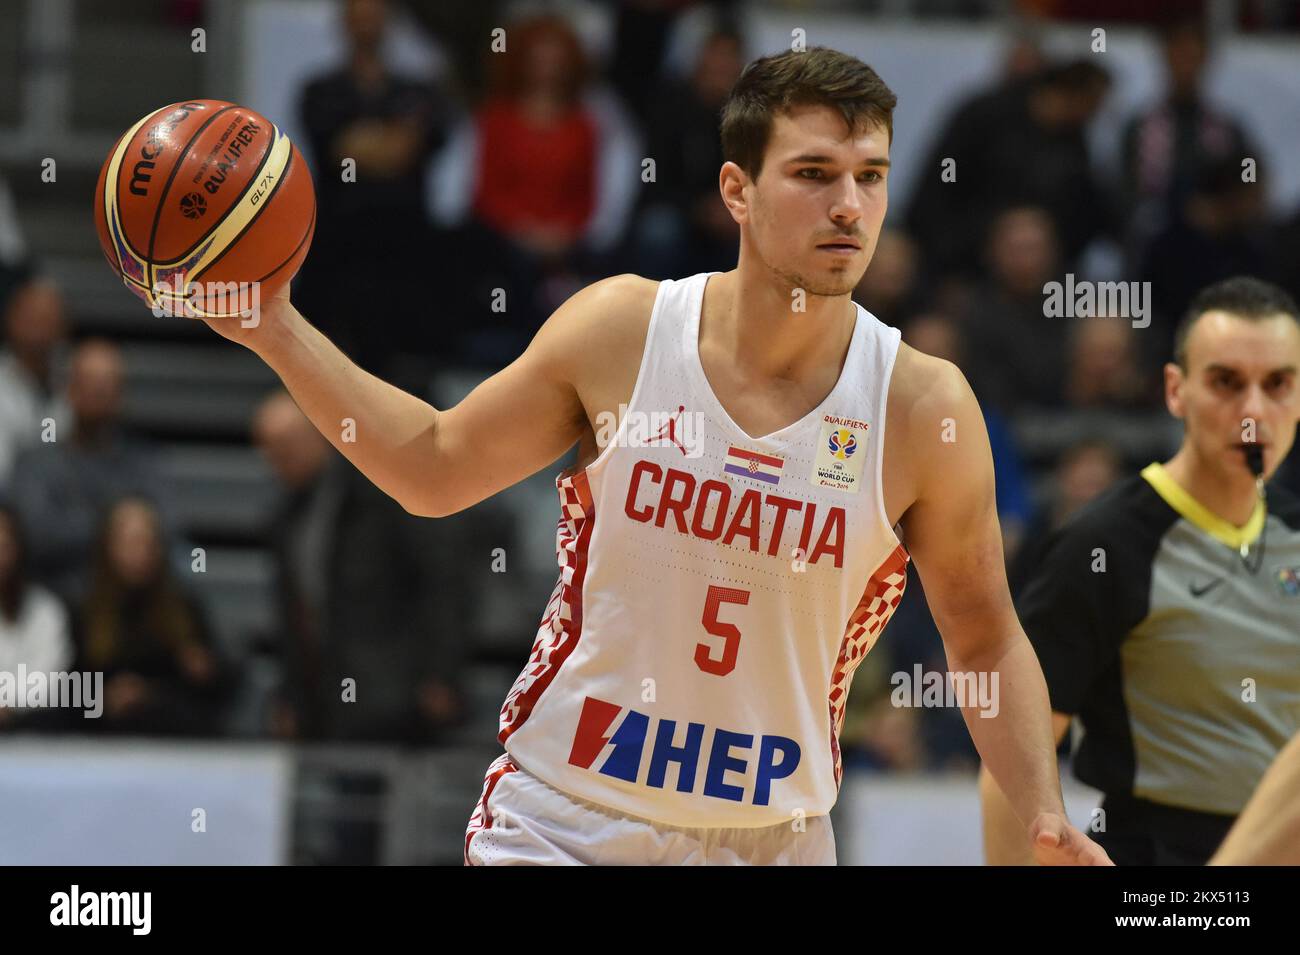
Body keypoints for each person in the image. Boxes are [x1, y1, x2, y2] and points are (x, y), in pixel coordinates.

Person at [200, 47, 1108, 867]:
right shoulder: (626, 329)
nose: (849, 206)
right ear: (737, 191)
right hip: (566, 820)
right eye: (813, 173)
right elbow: (434, 467)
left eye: (871, 176)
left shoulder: (921, 406)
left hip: (771, 841)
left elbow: (984, 633)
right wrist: (272, 326)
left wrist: (1042, 812)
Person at [981, 276, 1300, 865]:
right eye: (1226, 382)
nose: (1253, 411)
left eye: (1277, 384)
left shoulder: (1293, 532)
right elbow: (1011, 763)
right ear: (1176, 391)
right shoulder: (1104, 545)